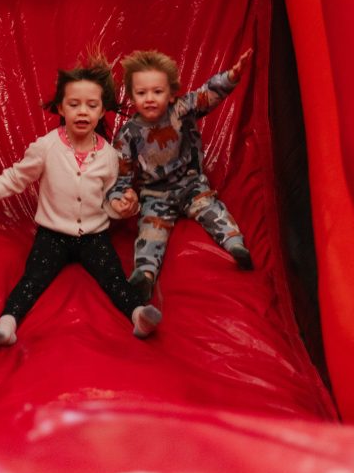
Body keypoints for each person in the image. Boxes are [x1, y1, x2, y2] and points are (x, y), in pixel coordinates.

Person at [0, 53, 160, 348]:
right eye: (74, 105)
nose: (82, 112)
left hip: (94, 236)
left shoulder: (110, 157)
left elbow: (114, 200)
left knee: (114, 279)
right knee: (31, 280)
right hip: (52, 236)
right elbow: (15, 177)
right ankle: (7, 323)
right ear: (61, 108)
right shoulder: (46, 147)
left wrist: (128, 206)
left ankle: (138, 316)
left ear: (102, 112)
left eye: (91, 105)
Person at [106, 46, 254, 303]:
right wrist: (122, 195)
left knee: (210, 208)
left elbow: (207, 95)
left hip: (191, 183)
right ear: (131, 97)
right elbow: (122, 176)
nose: (149, 98)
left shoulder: (182, 109)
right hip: (155, 193)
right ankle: (144, 276)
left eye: (157, 91)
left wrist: (230, 77)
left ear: (172, 94)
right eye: (142, 93)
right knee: (151, 230)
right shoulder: (128, 135)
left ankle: (234, 243)